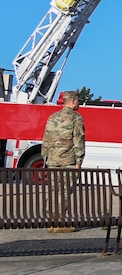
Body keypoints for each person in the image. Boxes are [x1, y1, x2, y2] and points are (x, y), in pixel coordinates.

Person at [42, 89, 85, 233]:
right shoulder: (76, 118)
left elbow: (46, 139)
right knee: (65, 192)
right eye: (78, 100)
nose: (79, 103)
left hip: (53, 161)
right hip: (68, 161)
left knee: (53, 191)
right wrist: (79, 161)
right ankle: (60, 222)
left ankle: (51, 222)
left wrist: (46, 157)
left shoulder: (52, 117)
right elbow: (78, 140)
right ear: (73, 101)